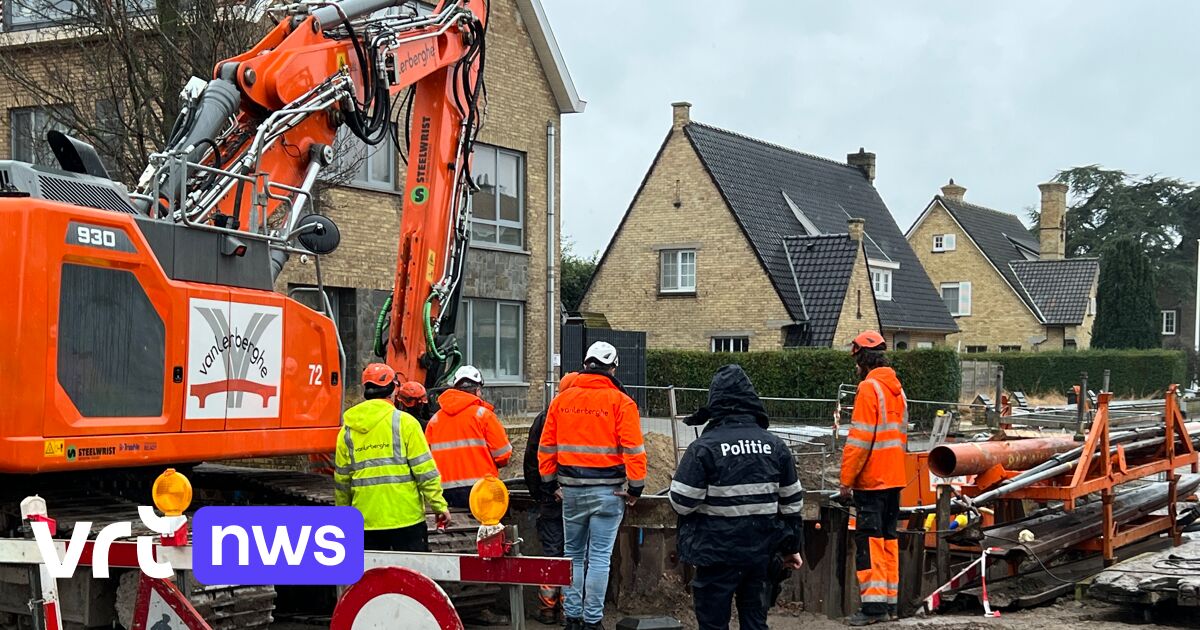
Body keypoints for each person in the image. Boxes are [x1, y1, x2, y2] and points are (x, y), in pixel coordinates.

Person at [669, 364, 804, 630]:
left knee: (713, 624)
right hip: (761, 556)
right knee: (755, 622)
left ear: (715, 402)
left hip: (715, 555)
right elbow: (792, 505)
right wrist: (791, 548)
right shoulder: (776, 446)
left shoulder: (703, 448)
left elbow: (682, 503)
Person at [539, 342, 646, 630]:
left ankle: (572, 618)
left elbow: (546, 448)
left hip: (571, 491)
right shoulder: (622, 402)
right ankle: (592, 620)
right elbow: (634, 450)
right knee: (599, 557)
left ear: (585, 365)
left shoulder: (561, 401)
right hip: (609, 492)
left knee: (572, 555)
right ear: (613, 369)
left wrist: (550, 485)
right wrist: (635, 489)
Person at [334, 363, 451, 551]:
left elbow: (342, 482)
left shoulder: (347, 430)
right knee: (409, 570)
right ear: (394, 390)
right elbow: (425, 471)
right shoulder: (406, 423)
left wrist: (344, 517)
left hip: (365, 522)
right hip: (406, 521)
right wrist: (439, 505)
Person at [839, 330, 908, 626]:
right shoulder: (897, 390)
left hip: (872, 481)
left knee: (869, 543)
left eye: (856, 361)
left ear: (862, 359)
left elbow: (859, 441)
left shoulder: (869, 388)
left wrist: (846, 481)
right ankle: (889, 605)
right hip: (894, 478)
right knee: (888, 540)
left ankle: (873, 609)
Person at [523, 371, 579, 625]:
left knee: (552, 552)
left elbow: (532, 459)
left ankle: (547, 609)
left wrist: (541, 493)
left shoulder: (546, 416)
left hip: (551, 498)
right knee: (575, 554)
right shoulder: (586, 417)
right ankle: (570, 608)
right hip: (578, 496)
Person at [425, 365, 513, 508]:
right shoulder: (483, 416)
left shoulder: (435, 420)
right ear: (477, 390)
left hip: (445, 492)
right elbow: (503, 455)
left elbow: (426, 460)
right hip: (481, 490)